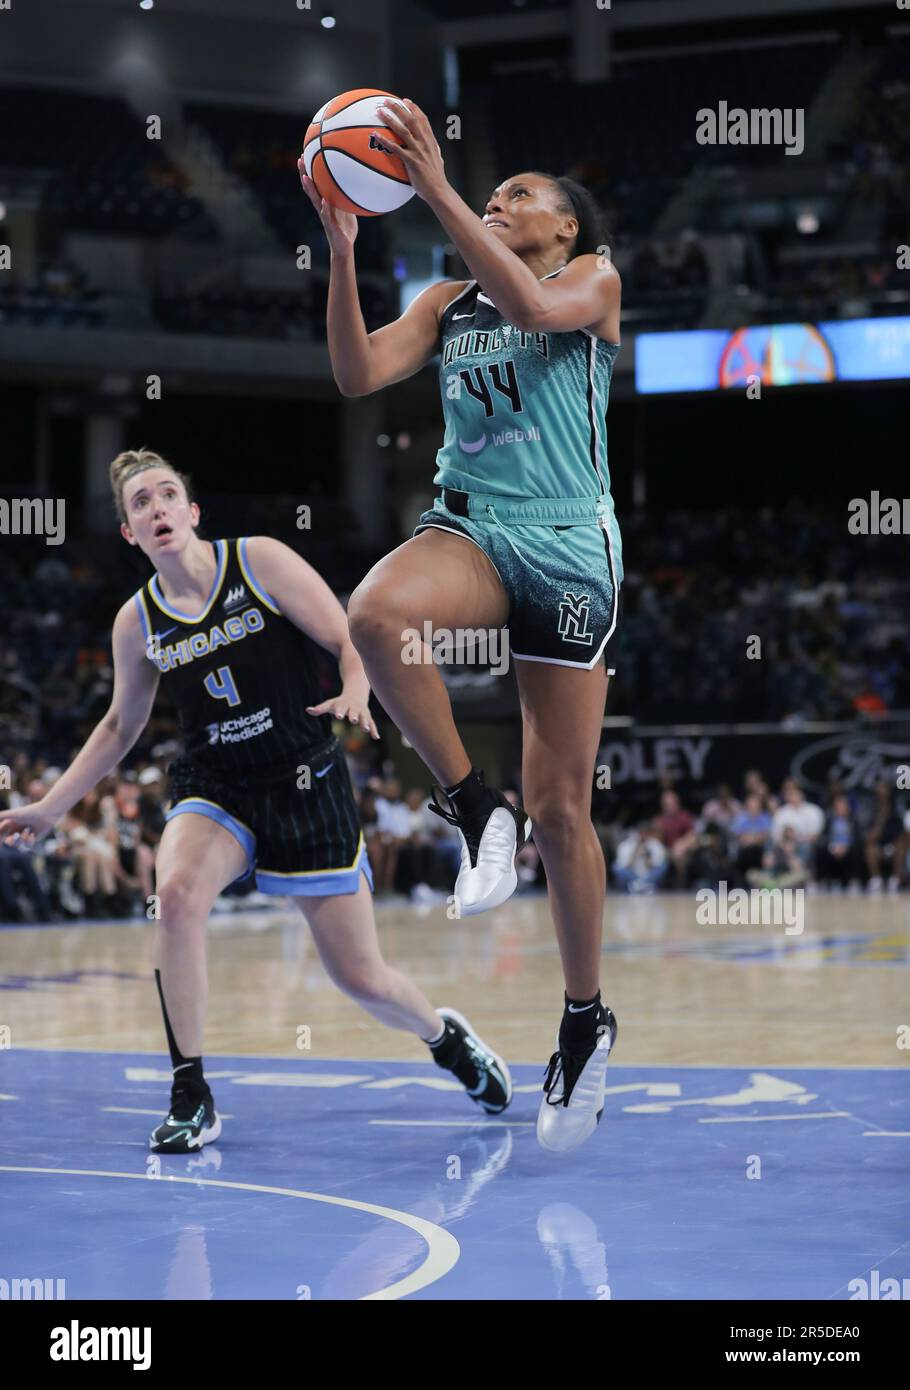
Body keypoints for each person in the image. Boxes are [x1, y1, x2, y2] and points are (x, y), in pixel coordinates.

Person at [0, 449, 512, 1151]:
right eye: (139, 505)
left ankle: (443, 1038)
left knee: (362, 979)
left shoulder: (261, 562)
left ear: (192, 511)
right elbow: (120, 725)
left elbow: (348, 636)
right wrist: (50, 808)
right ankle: (191, 1091)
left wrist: (358, 688)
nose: (156, 510)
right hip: (217, 785)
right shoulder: (137, 622)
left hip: (306, 777)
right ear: (128, 532)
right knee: (175, 896)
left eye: (166, 495)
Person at [299, 101, 621, 1153]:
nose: (500, 199)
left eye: (521, 194)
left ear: (567, 228)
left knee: (564, 808)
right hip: (472, 531)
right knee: (377, 611)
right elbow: (354, 375)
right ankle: (471, 807)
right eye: (492, 193)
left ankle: (582, 1018)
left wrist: (434, 187)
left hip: (570, 544)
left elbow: (532, 311)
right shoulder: (444, 300)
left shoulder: (590, 281)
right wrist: (343, 251)